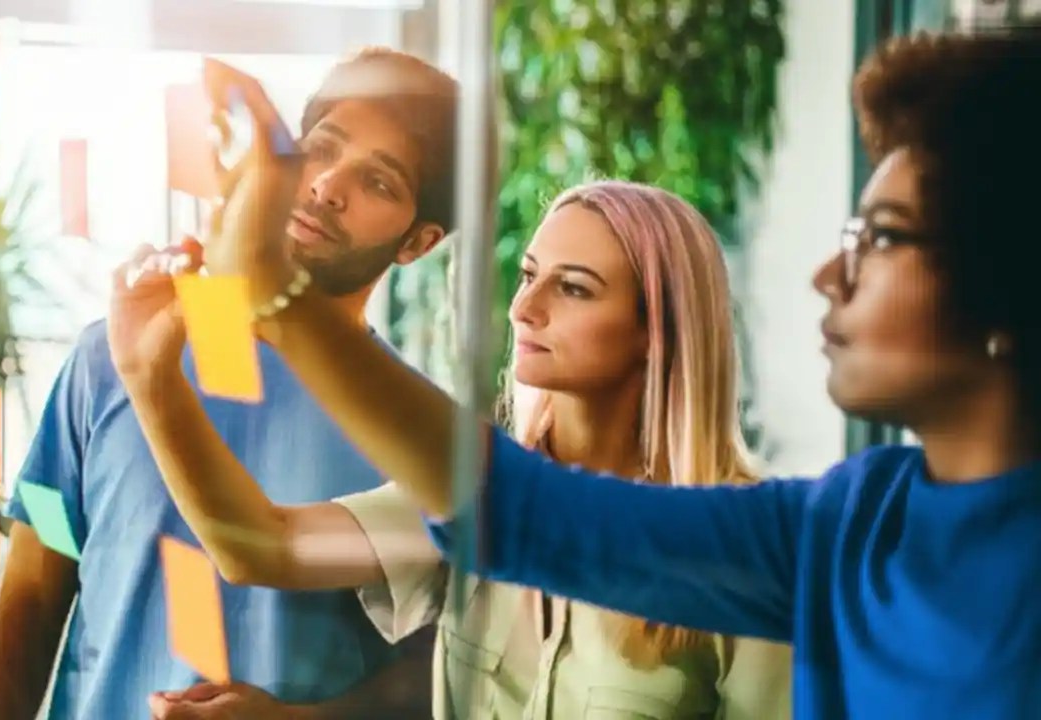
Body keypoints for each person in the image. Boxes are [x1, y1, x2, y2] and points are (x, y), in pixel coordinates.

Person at [143, 27, 1041, 720]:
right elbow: (512, 514)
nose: (829, 278)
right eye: (529, 277)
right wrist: (195, 350)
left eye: (881, 238)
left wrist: (273, 293)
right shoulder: (846, 520)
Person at [114, 179, 794, 718]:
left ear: (659, 330)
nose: (524, 307)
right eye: (530, 274)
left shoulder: (748, 547)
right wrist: (149, 375)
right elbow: (260, 545)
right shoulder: (473, 491)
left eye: (574, 288)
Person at [0, 47, 459, 720]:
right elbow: (24, 600)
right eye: (320, 150)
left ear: (417, 243)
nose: (327, 186)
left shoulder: (409, 431)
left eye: (378, 183)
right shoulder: (106, 359)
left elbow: (429, 671)